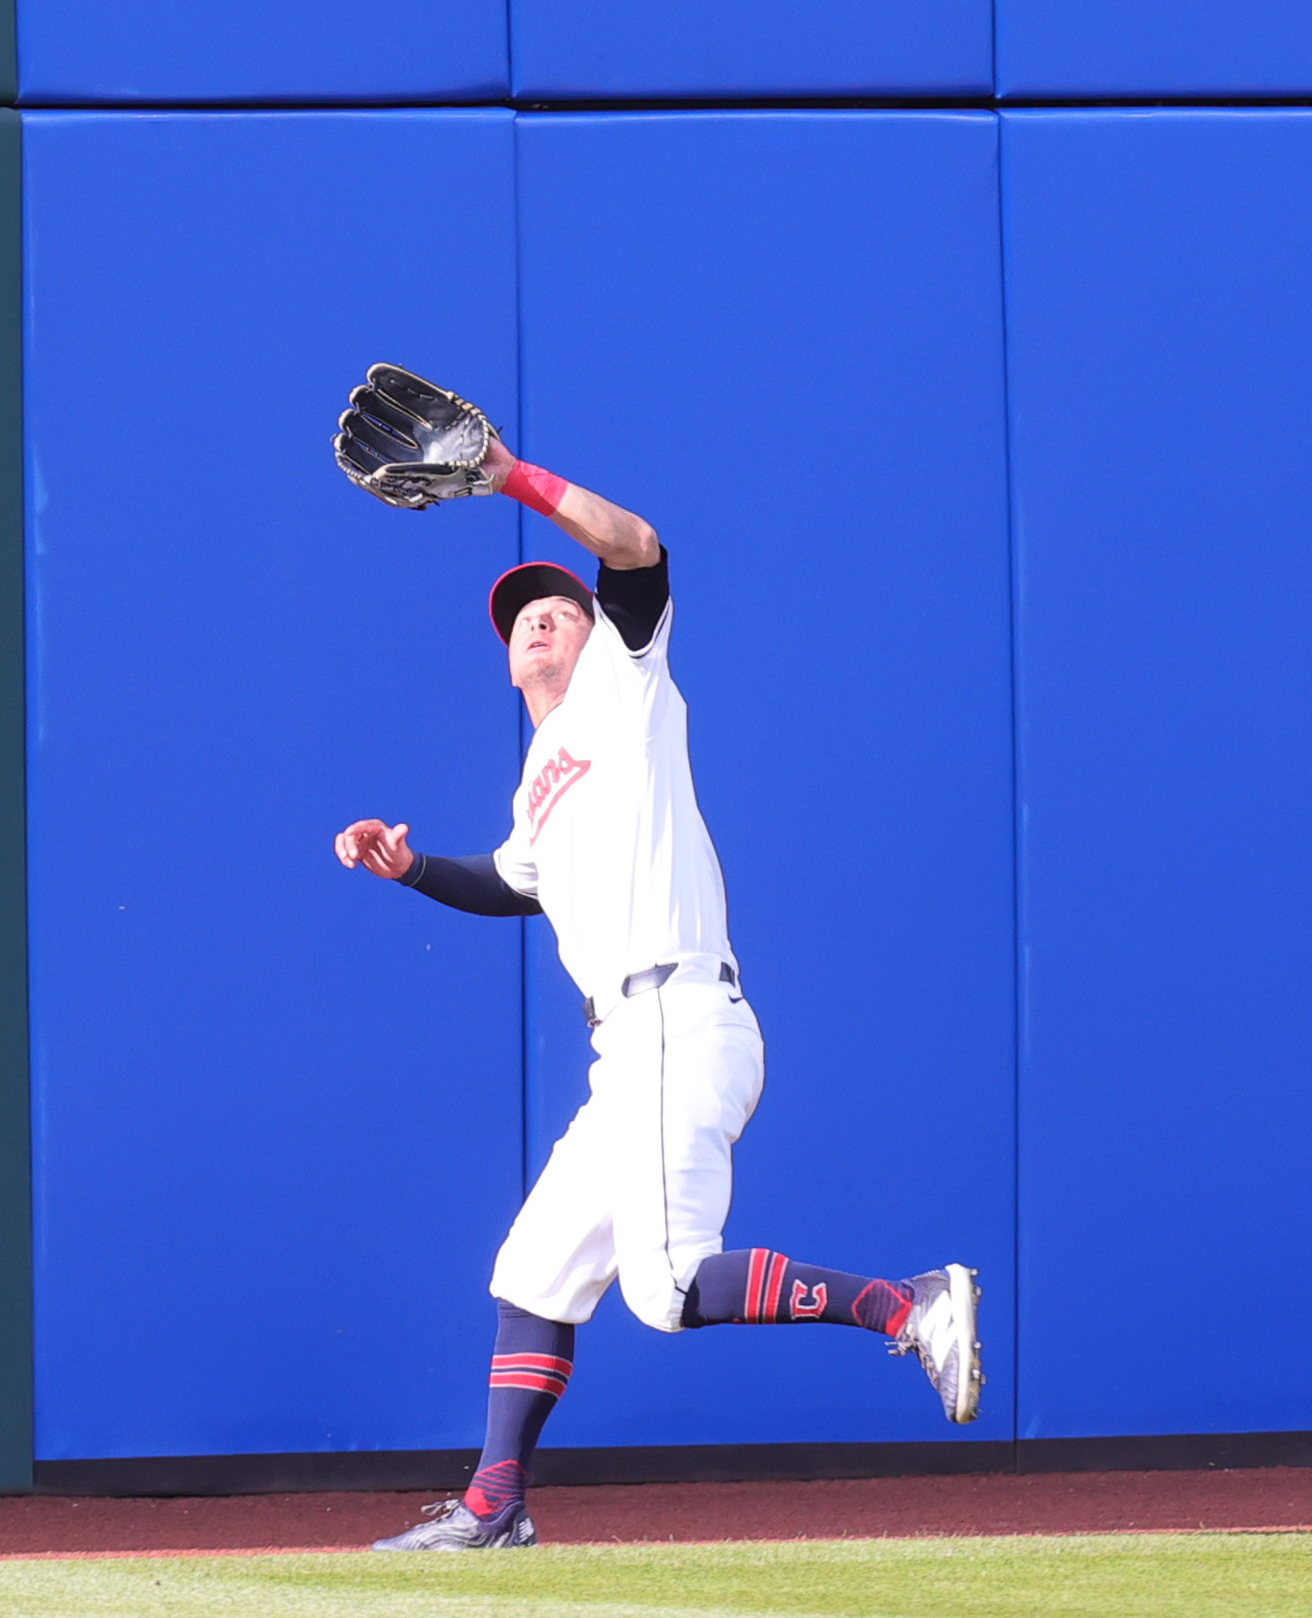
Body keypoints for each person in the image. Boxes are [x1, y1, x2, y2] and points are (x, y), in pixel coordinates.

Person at [335, 436, 982, 1551]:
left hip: (677, 1012)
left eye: (559, 603)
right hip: (627, 1049)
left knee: (668, 1285)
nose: (539, 614)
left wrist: (504, 473)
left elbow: (635, 547)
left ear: (599, 634)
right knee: (533, 1267)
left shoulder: (626, 688)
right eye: (521, 614)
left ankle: (907, 1300)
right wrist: (414, 868)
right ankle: (494, 1503)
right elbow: (511, 881)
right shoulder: (538, 782)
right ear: (505, 660)